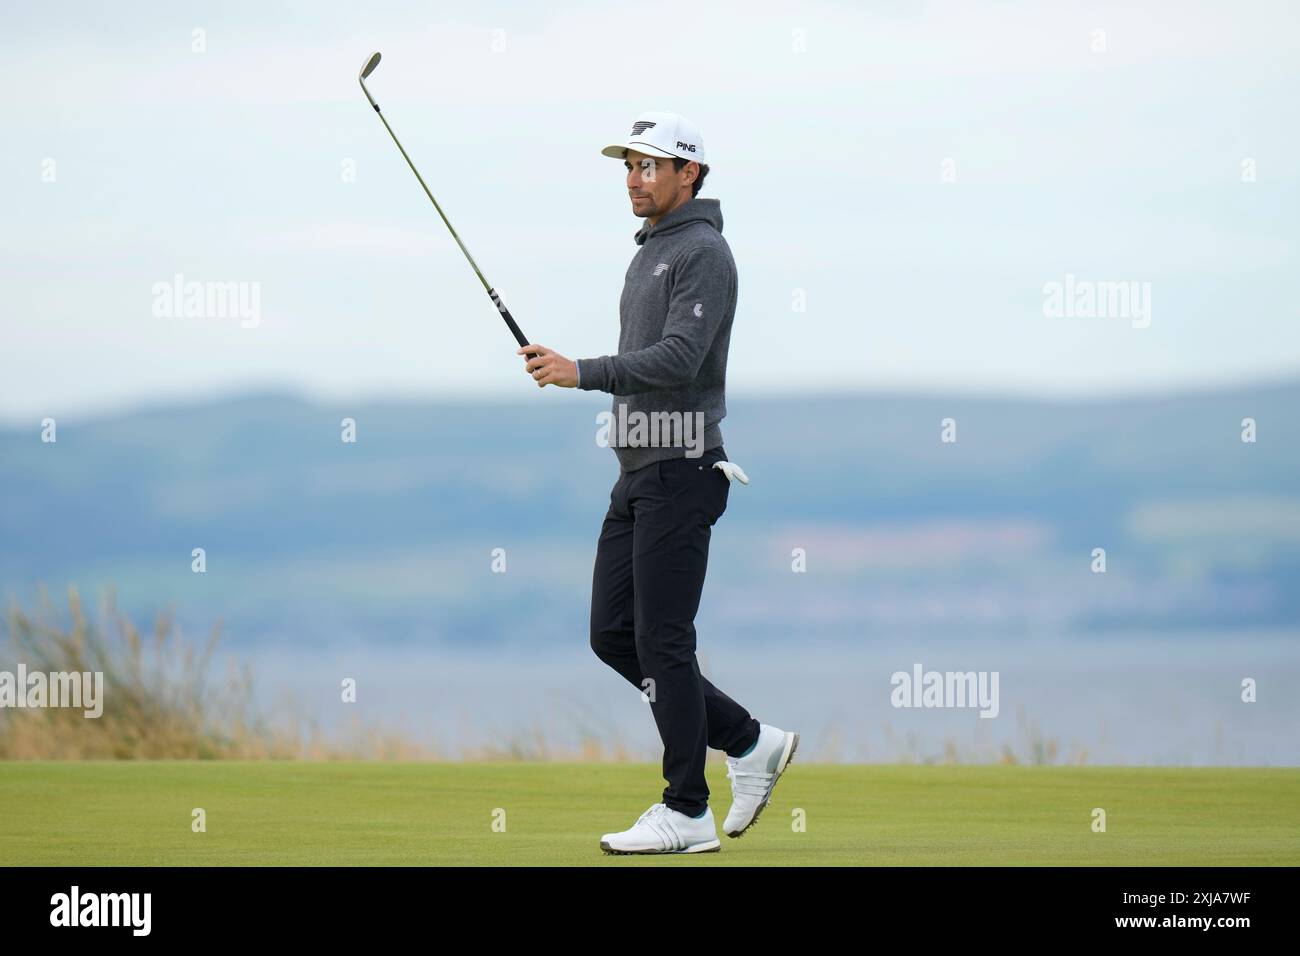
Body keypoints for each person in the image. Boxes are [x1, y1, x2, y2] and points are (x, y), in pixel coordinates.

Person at [516, 111, 798, 854]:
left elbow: (678, 357)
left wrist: (582, 373)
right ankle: (747, 741)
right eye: (629, 167)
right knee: (616, 635)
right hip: (640, 469)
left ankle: (686, 809)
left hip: (684, 469)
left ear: (690, 174)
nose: (636, 179)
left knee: (664, 640)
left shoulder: (704, 251)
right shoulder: (648, 253)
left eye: (651, 167)